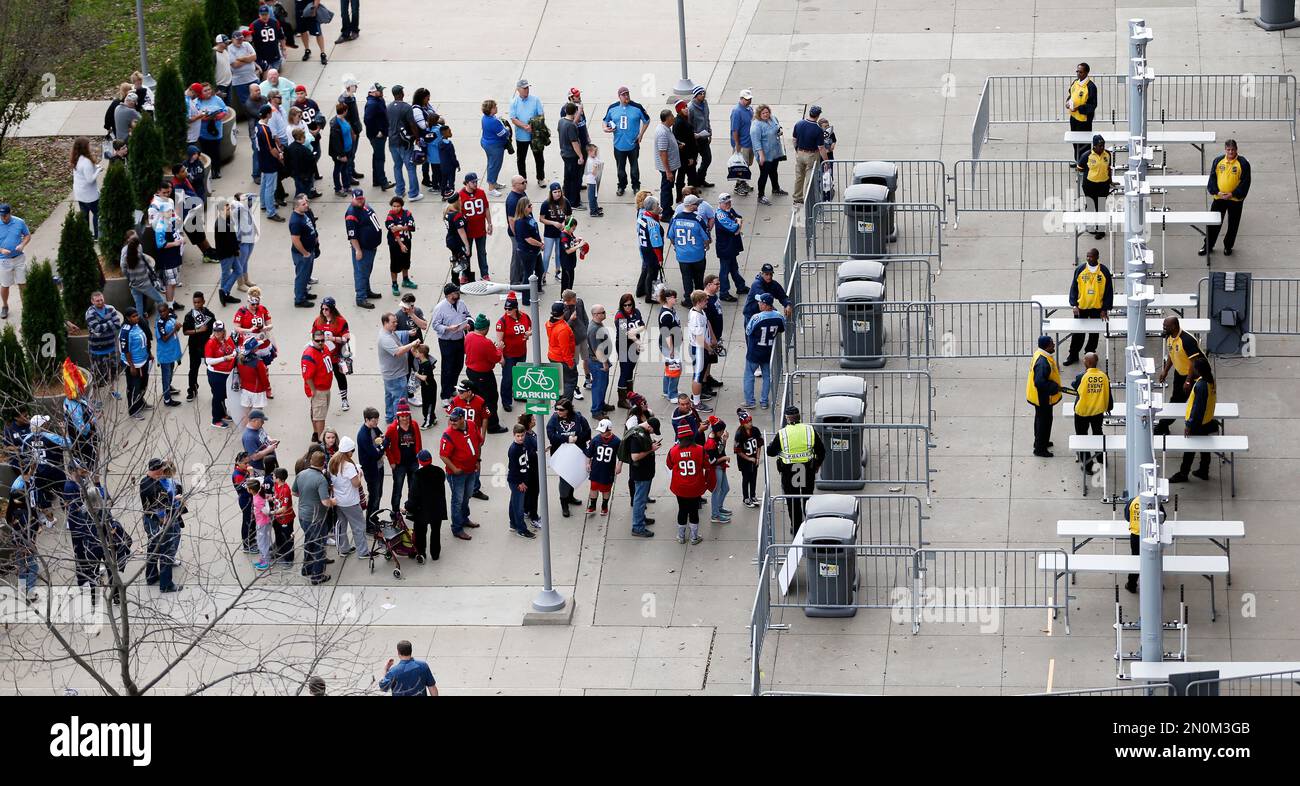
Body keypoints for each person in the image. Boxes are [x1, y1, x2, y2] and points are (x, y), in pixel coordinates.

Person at [766, 405, 825, 535]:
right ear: (799, 417)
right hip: (807, 469)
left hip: (789, 472)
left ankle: (796, 528)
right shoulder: (809, 430)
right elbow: (821, 451)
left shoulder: (782, 434)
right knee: (807, 498)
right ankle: (809, 524)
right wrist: (817, 466)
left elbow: (770, 452)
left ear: (787, 418)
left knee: (793, 500)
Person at [1170, 356, 1218, 484]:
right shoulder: (1210, 380)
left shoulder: (1201, 385)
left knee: (1189, 450)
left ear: (1199, 370)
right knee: (1204, 448)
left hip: (1198, 423)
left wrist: (1189, 425)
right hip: (1207, 420)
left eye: (1194, 368)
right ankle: (1203, 470)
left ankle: (1183, 473)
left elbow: (1197, 408)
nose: (1193, 370)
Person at [1201, 140, 1251, 258]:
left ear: (1236, 149)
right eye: (1228, 150)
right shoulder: (1218, 161)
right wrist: (1217, 192)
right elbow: (1212, 178)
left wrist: (1233, 194)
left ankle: (1228, 246)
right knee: (1213, 223)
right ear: (1225, 150)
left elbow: (1246, 182)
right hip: (1219, 198)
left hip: (1235, 201)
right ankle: (1208, 245)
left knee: (1233, 225)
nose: (1230, 152)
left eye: (1233, 150)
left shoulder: (1243, 163)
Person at [139, 458, 183, 592]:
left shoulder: (145, 481)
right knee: (166, 551)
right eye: (161, 470)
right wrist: (165, 522)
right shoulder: (156, 488)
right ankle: (166, 584)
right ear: (158, 470)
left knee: (153, 548)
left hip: (148, 519)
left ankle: (151, 576)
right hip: (158, 522)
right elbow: (161, 510)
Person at [1064, 248, 1113, 366]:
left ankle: (1090, 354)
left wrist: (1104, 309)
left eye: (1091, 256)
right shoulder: (1080, 269)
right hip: (1082, 307)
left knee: (1094, 333)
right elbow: (1074, 288)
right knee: (1078, 333)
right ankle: (1073, 354)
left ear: (1097, 257)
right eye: (1087, 256)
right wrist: (1074, 305)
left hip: (1097, 308)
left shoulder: (1104, 271)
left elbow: (1108, 291)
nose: (1088, 258)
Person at [1155, 316, 1203, 435]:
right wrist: (1165, 371)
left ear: (1174, 326)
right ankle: (1163, 425)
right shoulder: (1169, 337)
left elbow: (1194, 362)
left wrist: (1188, 380)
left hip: (1194, 377)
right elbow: (1172, 355)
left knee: (1190, 403)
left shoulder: (1187, 340)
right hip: (1180, 373)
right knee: (1176, 401)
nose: (1163, 328)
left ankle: (1162, 426)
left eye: (1165, 326)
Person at [440, 406, 482, 539]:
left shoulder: (472, 425)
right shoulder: (448, 434)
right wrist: (454, 469)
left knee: (467, 495)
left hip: (471, 470)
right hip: (457, 474)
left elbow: (478, 443)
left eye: (455, 420)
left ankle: (464, 518)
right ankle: (457, 528)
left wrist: (477, 460)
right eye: (451, 420)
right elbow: (443, 455)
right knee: (457, 500)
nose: (452, 423)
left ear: (463, 419)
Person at [294, 451, 335, 584]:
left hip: (303, 516)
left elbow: (294, 491)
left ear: (311, 461)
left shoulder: (301, 474)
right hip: (316, 518)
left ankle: (307, 568)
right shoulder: (320, 479)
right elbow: (325, 502)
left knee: (309, 541)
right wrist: (333, 501)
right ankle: (317, 576)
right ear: (323, 463)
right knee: (319, 546)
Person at [1066, 352, 1110, 474]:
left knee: (1082, 436)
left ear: (1089, 362)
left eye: (1084, 360)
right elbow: (1108, 393)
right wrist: (1108, 407)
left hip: (1082, 412)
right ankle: (1101, 458)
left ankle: (1087, 465)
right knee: (1098, 433)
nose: (1083, 361)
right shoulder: (1104, 376)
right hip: (1098, 411)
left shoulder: (1082, 376)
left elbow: (1075, 386)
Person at [546, 398, 591, 518]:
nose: (558, 411)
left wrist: (577, 438)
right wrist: (566, 439)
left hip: (576, 452)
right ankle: (564, 504)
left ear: (568, 410)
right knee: (564, 479)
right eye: (556, 409)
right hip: (561, 454)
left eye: (561, 409)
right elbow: (551, 435)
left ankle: (570, 497)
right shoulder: (554, 419)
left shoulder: (578, 418)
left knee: (573, 475)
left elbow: (587, 432)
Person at [602, 86, 650, 196]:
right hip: (618, 145)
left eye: (627, 94)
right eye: (623, 94)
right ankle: (621, 186)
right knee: (620, 168)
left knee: (634, 168)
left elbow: (647, 120)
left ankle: (636, 185)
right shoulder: (612, 108)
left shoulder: (637, 107)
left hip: (633, 144)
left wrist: (641, 134)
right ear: (619, 96)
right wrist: (605, 128)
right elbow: (605, 120)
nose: (626, 96)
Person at [667, 422, 708, 545]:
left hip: (680, 487)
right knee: (694, 511)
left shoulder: (673, 451)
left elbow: (669, 465)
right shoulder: (700, 450)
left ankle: (681, 537)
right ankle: (694, 537)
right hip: (695, 487)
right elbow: (706, 465)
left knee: (682, 510)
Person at [431, 283, 474, 400]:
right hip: (447, 341)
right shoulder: (440, 308)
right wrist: (448, 328)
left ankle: (451, 388)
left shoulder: (461, 304)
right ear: (449, 295)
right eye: (456, 293)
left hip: (460, 339)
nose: (458, 294)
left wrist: (469, 324)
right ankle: (445, 395)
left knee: (458, 365)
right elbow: (435, 325)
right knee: (447, 368)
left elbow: (468, 316)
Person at [743, 293, 785, 410]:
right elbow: (782, 329)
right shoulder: (779, 317)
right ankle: (764, 401)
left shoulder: (756, 318)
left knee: (749, 375)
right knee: (767, 376)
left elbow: (748, 331)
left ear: (766, 304)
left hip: (754, 352)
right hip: (768, 352)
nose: (758, 304)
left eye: (760, 302)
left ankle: (750, 401)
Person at [465, 315, 506, 434]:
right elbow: (496, 358)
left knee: (477, 398)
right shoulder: (486, 342)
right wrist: (499, 349)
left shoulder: (468, 336)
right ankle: (492, 426)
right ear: (485, 328)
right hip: (483, 375)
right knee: (490, 400)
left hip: (471, 371)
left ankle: (478, 421)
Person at [329, 437, 369, 558]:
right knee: (359, 526)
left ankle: (344, 548)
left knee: (342, 525)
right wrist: (359, 474)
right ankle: (363, 551)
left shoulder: (333, 462)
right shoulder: (348, 466)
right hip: (350, 501)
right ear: (348, 452)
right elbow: (356, 483)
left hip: (338, 500)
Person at [377, 312, 420, 422]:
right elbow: (398, 352)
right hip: (396, 375)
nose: (396, 324)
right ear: (385, 323)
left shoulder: (389, 332)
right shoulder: (385, 338)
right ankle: (398, 421)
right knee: (400, 400)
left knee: (390, 397)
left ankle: (390, 417)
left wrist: (407, 333)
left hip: (391, 373)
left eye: (396, 321)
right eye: (393, 322)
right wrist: (412, 344)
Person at [345, 188, 384, 307]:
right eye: (357, 199)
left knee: (367, 271)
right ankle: (360, 298)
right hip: (362, 248)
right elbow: (352, 235)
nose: (360, 201)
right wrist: (357, 250)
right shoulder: (351, 215)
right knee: (361, 273)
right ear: (352, 199)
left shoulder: (364, 206)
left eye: (361, 198)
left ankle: (367, 291)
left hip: (371, 246)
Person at [383, 399, 422, 516]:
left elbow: (419, 441)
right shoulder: (392, 429)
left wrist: (419, 457)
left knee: (413, 488)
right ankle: (395, 511)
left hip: (413, 462)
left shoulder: (414, 424)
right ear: (398, 417)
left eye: (406, 416)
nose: (404, 419)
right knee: (397, 490)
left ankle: (411, 508)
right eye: (402, 416)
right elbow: (386, 446)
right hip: (399, 464)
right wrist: (392, 461)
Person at [408, 449, 448, 560]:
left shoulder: (417, 475)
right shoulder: (439, 472)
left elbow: (414, 496)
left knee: (420, 533)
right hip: (437, 508)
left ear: (420, 461)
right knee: (436, 532)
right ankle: (435, 554)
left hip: (422, 510)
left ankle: (421, 553)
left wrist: (408, 506)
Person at [495, 293, 532, 412]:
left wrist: (528, 334)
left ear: (516, 308)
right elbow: (499, 342)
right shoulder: (502, 322)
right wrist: (500, 357)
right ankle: (506, 401)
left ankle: (518, 394)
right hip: (509, 355)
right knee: (508, 378)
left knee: (520, 376)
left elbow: (530, 328)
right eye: (505, 308)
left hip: (521, 352)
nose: (507, 311)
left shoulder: (525, 317)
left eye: (509, 309)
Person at [1026, 335, 1062, 458]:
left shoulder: (1041, 355)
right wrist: (1054, 387)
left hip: (1040, 396)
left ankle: (1041, 442)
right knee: (1044, 422)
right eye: (1052, 343)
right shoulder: (1043, 362)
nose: (1054, 345)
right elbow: (1040, 382)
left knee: (1042, 420)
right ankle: (1040, 449)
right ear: (1047, 346)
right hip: (1043, 397)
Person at [85, 291, 123, 404]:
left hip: (111, 347)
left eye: (101, 299)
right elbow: (96, 328)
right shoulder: (90, 313)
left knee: (113, 370)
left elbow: (117, 324)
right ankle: (95, 399)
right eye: (97, 301)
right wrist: (109, 324)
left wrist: (103, 326)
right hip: (97, 350)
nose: (100, 302)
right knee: (97, 375)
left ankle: (111, 390)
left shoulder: (110, 308)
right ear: (92, 301)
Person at [670, 195, 710, 295]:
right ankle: (699, 298)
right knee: (698, 279)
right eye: (696, 204)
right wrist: (707, 245)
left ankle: (688, 299)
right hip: (697, 255)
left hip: (682, 256)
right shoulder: (698, 219)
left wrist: (676, 246)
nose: (698, 205)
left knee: (686, 278)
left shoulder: (675, 218)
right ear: (691, 205)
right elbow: (706, 238)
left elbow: (671, 236)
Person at [509, 79, 546, 187]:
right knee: (521, 159)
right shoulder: (514, 102)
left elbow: (541, 115)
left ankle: (540, 178)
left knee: (539, 158)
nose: (526, 90)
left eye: (527, 88)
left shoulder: (535, 100)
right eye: (524, 88)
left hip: (535, 136)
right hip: (521, 136)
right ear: (518, 89)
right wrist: (525, 126)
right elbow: (513, 118)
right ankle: (522, 179)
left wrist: (533, 126)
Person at [255, 105, 287, 222]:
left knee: (264, 183)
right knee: (270, 187)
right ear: (268, 114)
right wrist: (280, 157)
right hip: (269, 162)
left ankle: (263, 204)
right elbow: (271, 149)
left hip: (262, 160)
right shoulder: (265, 130)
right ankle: (271, 211)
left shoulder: (258, 126)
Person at [458, 173, 493, 279]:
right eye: (473, 182)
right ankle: (465, 274)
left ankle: (485, 274)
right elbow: (458, 213)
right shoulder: (460, 195)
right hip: (467, 231)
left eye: (476, 181)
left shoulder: (481, 193)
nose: (475, 184)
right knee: (467, 253)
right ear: (467, 183)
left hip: (480, 229)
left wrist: (490, 224)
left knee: (482, 253)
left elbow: (486, 208)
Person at [118, 307, 152, 419]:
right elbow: (126, 350)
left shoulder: (137, 324)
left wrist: (149, 353)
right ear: (127, 318)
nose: (136, 318)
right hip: (134, 364)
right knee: (134, 387)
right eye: (133, 316)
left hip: (143, 360)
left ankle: (141, 402)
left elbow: (145, 340)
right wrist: (131, 366)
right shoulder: (125, 331)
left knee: (143, 384)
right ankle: (133, 410)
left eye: (137, 315)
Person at [505, 425, 538, 538]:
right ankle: (521, 529)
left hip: (521, 479)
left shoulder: (523, 445)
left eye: (522, 435)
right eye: (518, 436)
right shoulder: (514, 449)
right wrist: (520, 482)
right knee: (519, 506)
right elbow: (513, 468)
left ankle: (513, 524)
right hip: (516, 481)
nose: (520, 438)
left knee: (514, 502)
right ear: (513, 435)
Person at [0, 203, 32, 319]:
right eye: (1, 215)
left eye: (5, 215)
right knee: (5, 285)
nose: (3, 218)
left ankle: (26, 307)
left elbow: (27, 235)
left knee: (23, 283)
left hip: (19, 258)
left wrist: (22, 244)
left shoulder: (19, 222)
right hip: (4, 260)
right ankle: (4, 306)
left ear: (10, 213)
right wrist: (1, 250)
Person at [1076, 135, 1111, 239]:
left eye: (1103, 145)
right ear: (1094, 146)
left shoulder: (1107, 154)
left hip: (1103, 185)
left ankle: (1101, 230)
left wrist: (1111, 181)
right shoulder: (1086, 155)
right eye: (1100, 146)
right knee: (1091, 205)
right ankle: (1091, 227)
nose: (1102, 147)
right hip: (1089, 185)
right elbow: (1080, 168)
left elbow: (1109, 168)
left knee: (1100, 206)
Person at [584, 419, 621, 516]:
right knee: (593, 488)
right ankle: (592, 506)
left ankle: (604, 506)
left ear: (609, 430)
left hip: (608, 470)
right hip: (596, 468)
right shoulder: (595, 440)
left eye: (603, 431)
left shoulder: (617, 441)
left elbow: (621, 455)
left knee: (606, 489)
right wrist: (587, 463)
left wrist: (619, 466)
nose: (601, 433)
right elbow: (589, 453)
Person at [182, 292, 215, 402]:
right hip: (194, 347)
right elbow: (185, 332)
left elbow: (215, 330)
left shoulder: (210, 315)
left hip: (207, 346)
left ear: (203, 302)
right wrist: (198, 330)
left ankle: (215, 390)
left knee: (211, 369)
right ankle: (192, 389)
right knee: (193, 369)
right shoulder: (189, 316)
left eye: (198, 302)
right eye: (194, 302)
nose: (196, 304)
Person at [714, 193, 748, 300]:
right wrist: (737, 223)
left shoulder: (729, 210)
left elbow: (739, 219)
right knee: (724, 271)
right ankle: (724, 292)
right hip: (725, 248)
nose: (728, 204)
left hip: (731, 246)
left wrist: (738, 224)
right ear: (720, 203)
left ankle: (740, 286)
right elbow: (734, 229)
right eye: (726, 203)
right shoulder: (721, 216)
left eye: (729, 202)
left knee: (734, 267)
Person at [204, 321, 237, 428]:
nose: (218, 333)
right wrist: (224, 358)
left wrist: (233, 354)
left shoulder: (227, 339)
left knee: (223, 395)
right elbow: (208, 361)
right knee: (218, 397)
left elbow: (234, 350)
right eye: (216, 331)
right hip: (216, 374)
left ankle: (223, 414)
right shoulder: (211, 343)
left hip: (227, 373)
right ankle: (216, 419)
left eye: (220, 331)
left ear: (223, 331)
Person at [750, 104, 786, 205]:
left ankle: (776, 188)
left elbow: (778, 127)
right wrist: (761, 156)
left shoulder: (773, 118)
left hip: (775, 152)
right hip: (764, 155)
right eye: (763, 113)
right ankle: (760, 195)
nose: (766, 114)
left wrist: (780, 131)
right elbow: (756, 142)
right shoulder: (756, 126)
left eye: (767, 112)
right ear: (759, 114)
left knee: (774, 171)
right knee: (764, 175)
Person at [791, 105, 827, 203]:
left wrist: (797, 150)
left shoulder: (798, 124)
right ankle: (808, 200)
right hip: (812, 155)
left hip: (800, 153)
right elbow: (821, 148)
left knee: (799, 177)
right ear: (818, 115)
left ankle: (797, 198)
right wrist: (826, 161)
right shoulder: (818, 130)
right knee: (810, 179)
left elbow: (794, 140)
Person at [384, 195, 417, 295]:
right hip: (395, 244)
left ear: (401, 206)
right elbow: (394, 231)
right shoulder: (389, 217)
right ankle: (394, 284)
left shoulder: (407, 213)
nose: (395, 208)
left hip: (407, 241)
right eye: (394, 206)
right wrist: (401, 245)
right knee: (394, 264)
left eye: (398, 206)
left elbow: (412, 227)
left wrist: (400, 228)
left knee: (406, 261)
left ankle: (405, 280)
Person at [512, 197, 544, 298]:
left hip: (535, 250)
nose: (531, 207)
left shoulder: (529, 216)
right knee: (528, 274)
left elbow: (535, 231)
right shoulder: (520, 222)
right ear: (523, 208)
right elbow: (528, 239)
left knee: (540, 270)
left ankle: (537, 289)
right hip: (527, 252)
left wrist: (540, 241)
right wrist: (540, 244)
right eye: (529, 206)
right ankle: (526, 298)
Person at [538, 183, 571, 281]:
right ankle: (543, 274)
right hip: (549, 234)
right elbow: (541, 219)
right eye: (555, 192)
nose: (557, 194)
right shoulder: (546, 204)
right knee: (547, 255)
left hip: (561, 233)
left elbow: (569, 216)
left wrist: (565, 224)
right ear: (551, 193)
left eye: (559, 191)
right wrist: (553, 223)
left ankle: (558, 271)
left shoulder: (565, 202)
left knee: (559, 253)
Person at [70, 137, 102, 239]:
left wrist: (95, 167)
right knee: (97, 214)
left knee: (84, 216)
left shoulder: (76, 159)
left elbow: (83, 173)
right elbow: (90, 179)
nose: (90, 147)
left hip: (80, 194)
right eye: (89, 145)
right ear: (85, 148)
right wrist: (98, 170)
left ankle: (85, 236)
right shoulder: (86, 162)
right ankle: (97, 235)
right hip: (90, 195)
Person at [546, 300, 578, 401]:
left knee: (559, 382)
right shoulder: (563, 329)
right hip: (562, 359)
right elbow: (565, 350)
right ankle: (565, 405)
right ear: (563, 312)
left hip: (552, 356)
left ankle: (558, 402)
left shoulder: (549, 323)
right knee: (570, 382)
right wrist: (570, 364)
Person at [364, 83, 394, 190]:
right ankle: (383, 182)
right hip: (377, 136)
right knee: (380, 158)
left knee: (376, 156)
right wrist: (377, 132)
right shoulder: (372, 104)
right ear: (372, 92)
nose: (382, 92)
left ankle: (376, 180)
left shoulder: (379, 100)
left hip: (382, 133)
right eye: (379, 90)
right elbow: (367, 120)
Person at [587, 304, 614, 418]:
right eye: (602, 312)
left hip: (600, 361)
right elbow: (597, 349)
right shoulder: (594, 329)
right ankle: (596, 411)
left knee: (603, 384)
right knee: (599, 386)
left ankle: (601, 404)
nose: (604, 314)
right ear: (595, 315)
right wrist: (604, 363)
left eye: (604, 312)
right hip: (598, 362)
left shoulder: (597, 324)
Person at [654, 109, 681, 222]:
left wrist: (677, 144)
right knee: (666, 190)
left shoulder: (666, 129)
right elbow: (662, 152)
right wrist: (668, 172)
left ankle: (668, 210)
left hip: (670, 166)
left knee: (668, 188)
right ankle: (665, 214)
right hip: (667, 168)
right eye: (672, 117)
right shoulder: (662, 133)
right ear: (667, 118)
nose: (674, 118)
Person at [636, 195, 665, 302]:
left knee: (645, 270)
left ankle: (640, 290)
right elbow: (656, 244)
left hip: (644, 248)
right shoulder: (653, 224)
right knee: (652, 274)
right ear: (652, 207)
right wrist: (660, 258)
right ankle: (650, 297)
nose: (659, 206)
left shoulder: (642, 216)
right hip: (652, 251)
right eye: (657, 205)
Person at [733, 408, 764, 507]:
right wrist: (749, 458)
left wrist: (758, 458)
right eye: (747, 422)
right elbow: (738, 451)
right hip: (744, 461)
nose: (750, 423)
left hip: (754, 459)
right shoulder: (739, 434)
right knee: (746, 479)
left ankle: (753, 496)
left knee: (753, 478)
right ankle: (746, 498)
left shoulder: (755, 430)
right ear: (742, 423)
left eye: (750, 421)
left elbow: (759, 445)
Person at [154, 303, 182, 408]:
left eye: (164, 311)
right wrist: (175, 329)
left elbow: (176, 329)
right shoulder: (160, 324)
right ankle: (167, 399)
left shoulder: (170, 318)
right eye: (160, 312)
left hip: (172, 353)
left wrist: (177, 327)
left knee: (170, 373)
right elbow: (165, 339)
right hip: (165, 355)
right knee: (166, 377)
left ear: (168, 310)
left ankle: (169, 388)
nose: (162, 313)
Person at [1066, 62, 1097, 160]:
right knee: (1075, 141)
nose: (1078, 74)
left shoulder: (1091, 87)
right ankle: (1077, 160)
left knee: (1084, 143)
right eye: (1077, 71)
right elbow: (1071, 94)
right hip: (1074, 118)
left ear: (1086, 73)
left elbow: (1092, 105)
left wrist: (1078, 108)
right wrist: (1068, 102)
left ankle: (1084, 162)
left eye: (1081, 72)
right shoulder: (1075, 82)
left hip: (1084, 120)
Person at [480, 100, 511, 195]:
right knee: (495, 165)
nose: (496, 107)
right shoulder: (494, 121)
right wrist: (507, 129)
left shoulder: (485, 118)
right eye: (494, 107)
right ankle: (491, 188)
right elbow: (503, 134)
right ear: (490, 109)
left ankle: (493, 183)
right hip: (494, 147)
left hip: (487, 143)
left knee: (491, 163)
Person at [558, 102, 584, 209]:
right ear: (575, 112)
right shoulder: (571, 125)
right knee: (575, 180)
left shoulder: (561, 122)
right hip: (572, 155)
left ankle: (566, 199)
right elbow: (574, 143)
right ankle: (575, 203)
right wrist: (581, 156)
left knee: (567, 178)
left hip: (564, 153)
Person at [729, 88, 755, 196]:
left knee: (747, 164)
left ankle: (743, 183)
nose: (749, 101)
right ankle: (738, 186)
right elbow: (734, 130)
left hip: (750, 143)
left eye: (750, 99)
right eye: (746, 99)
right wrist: (737, 144)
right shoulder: (736, 111)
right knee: (740, 166)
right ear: (741, 99)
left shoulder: (749, 109)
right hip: (742, 144)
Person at [251, 5, 288, 72]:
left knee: (274, 74)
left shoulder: (275, 22)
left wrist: (284, 49)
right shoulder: (254, 25)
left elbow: (281, 37)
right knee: (268, 76)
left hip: (275, 54)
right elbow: (250, 41)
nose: (264, 16)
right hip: (262, 56)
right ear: (259, 15)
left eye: (266, 14)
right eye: (262, 15)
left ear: (269, 14)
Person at [271, 467, 296, 565]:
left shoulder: (286, 490)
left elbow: (284, 508)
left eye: (274, 476)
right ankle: (280, 551)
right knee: (279, 536)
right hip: (278, 517)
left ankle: (289, 559)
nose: (272, 477)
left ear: (279, 478)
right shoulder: (276, 485)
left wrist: (272, 512)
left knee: (287, 538)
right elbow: (276, 497)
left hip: (286, 518)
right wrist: (271, 498)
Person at [444, 194, 471, 283]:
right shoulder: (456, 215)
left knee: (457, 260)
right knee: (461, 263)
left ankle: (457, 282)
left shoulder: (447, 212)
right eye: (459, 200)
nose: (461, 201)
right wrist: (467, 246)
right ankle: (456, 283)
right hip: (457, 242)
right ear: (456, 202)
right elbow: (461, 232)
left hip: (451, 240)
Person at [411, 343, 438, 428]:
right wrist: (415, 345)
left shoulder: (426, 364)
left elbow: (424, 378)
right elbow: (412, 351)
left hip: (430, 387)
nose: (416, 353)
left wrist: (416, 374)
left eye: (418, 352)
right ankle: (432, 418)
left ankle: (428, 422)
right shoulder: (421, 360)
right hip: (425, 387)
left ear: (422, 354)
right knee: (426, 403)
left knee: (429, 404)